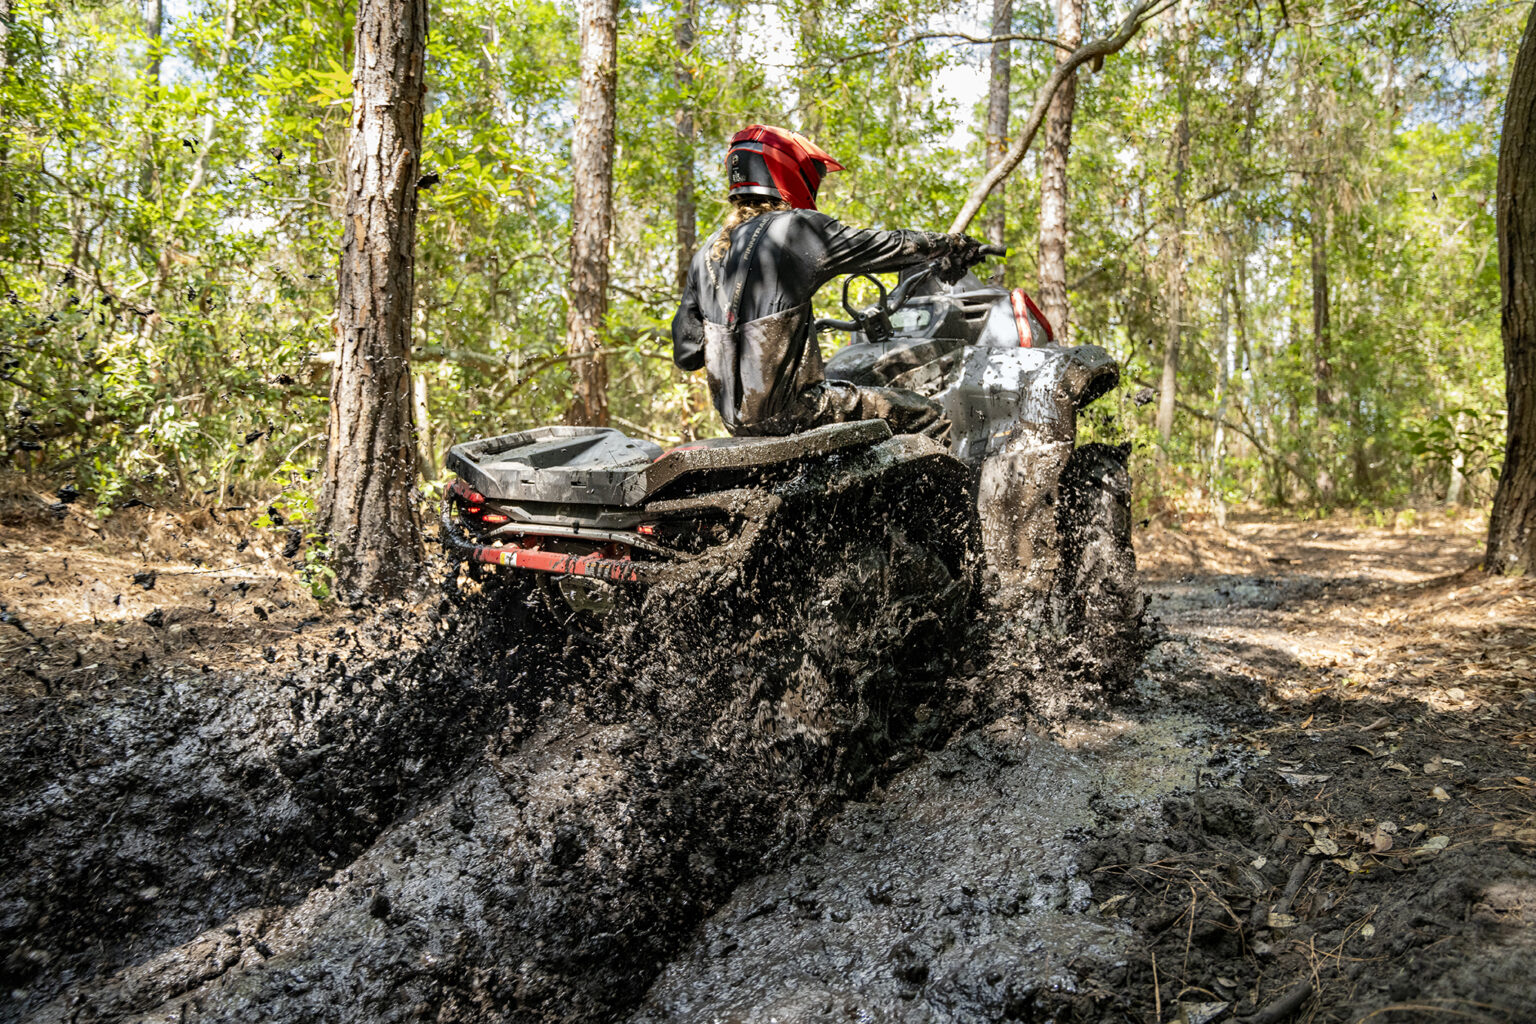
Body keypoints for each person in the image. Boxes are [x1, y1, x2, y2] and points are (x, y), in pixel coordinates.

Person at [671, 124, 987, 439]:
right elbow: (886, 246)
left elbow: (688, 354)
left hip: (737, 427)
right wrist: (951, 245)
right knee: (927, 415)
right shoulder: (795, 229)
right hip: (800, 413)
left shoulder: (707, 253)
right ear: (787, 171)